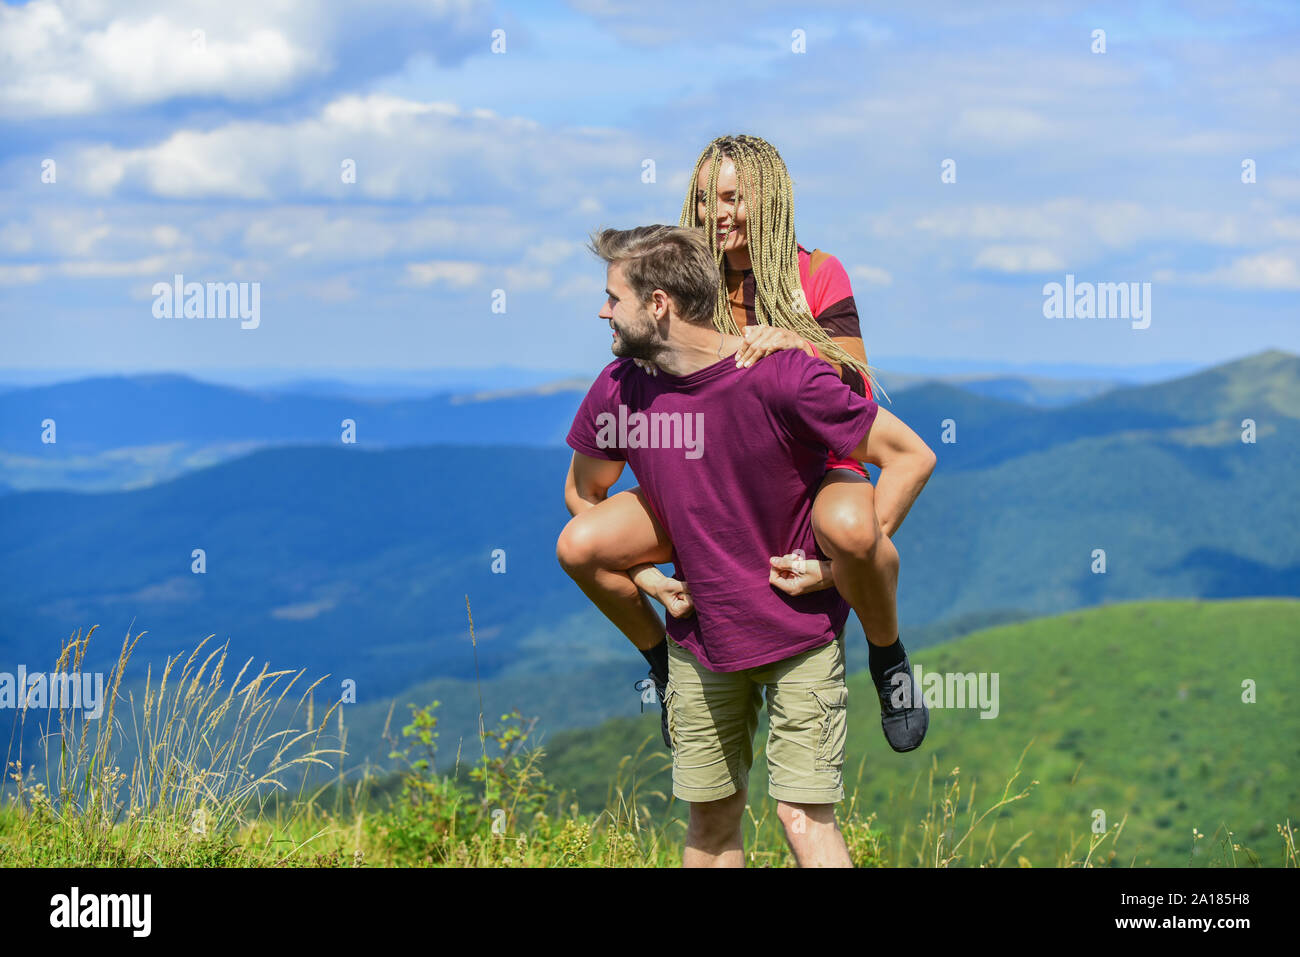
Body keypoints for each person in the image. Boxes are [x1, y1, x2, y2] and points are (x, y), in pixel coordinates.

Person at [560, 225, 935, 866]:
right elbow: (584, 494)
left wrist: (836, 568)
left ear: (659, 304)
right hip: (699, 641)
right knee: (709, 827)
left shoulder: (780, 376)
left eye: (612, 298)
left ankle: (888, 654)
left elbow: (910, 456)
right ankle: (660, 669)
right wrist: (648, 578)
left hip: (799, 638)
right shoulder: (620, 386)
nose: (602, 311)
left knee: (802, 821)